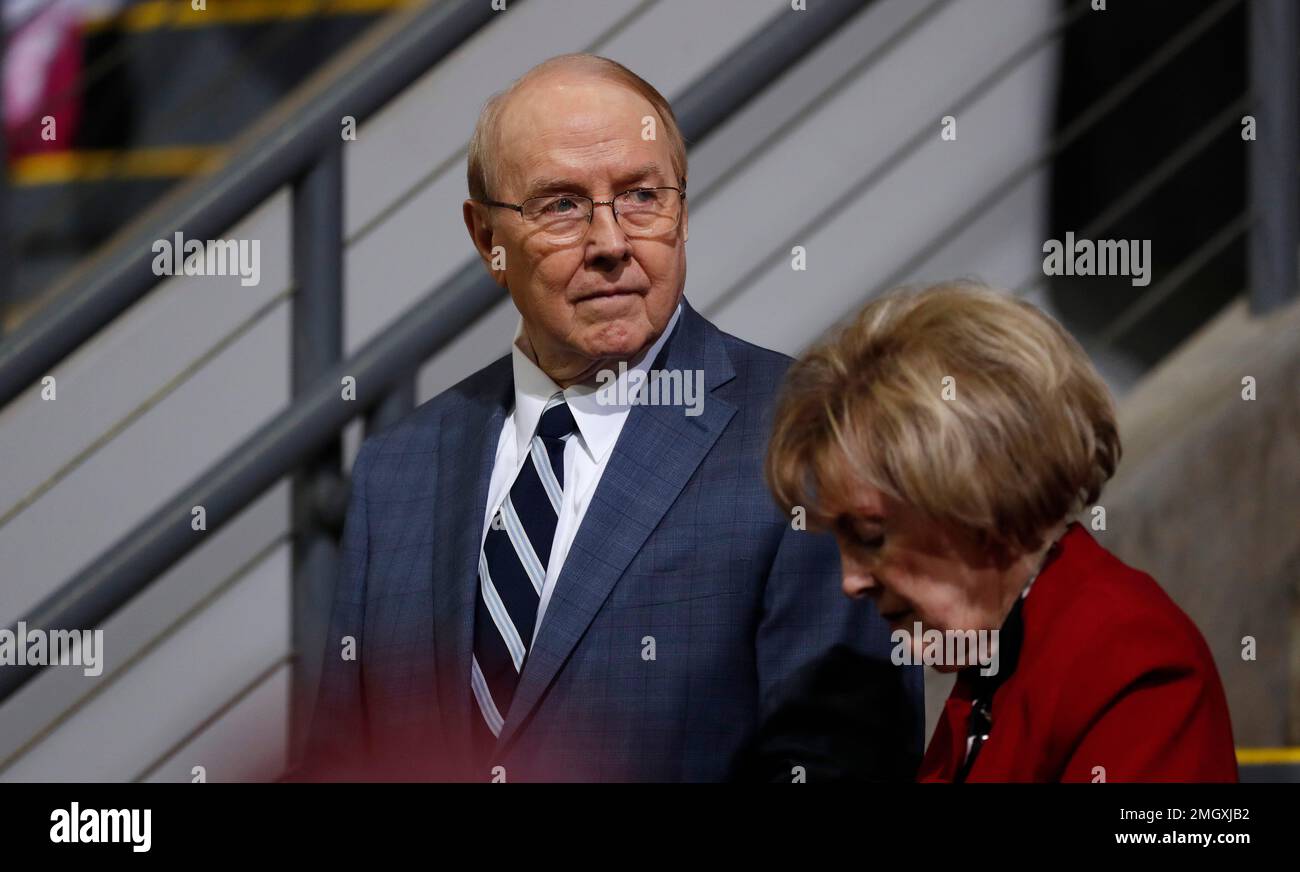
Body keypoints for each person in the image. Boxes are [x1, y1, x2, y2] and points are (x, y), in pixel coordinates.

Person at [302, 53, 921, 782]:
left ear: (682, 213)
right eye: (561, 204)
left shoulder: (810, 433)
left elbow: (841, 766)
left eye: (641, 197)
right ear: (486, 240)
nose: (610, 243)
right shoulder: (397, 471)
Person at [765, 281, 1238, 782]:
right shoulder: (996, 659)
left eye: (869, 535)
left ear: (974, 498)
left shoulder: (1131, 664)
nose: (851, 580)